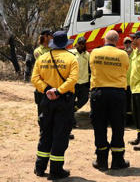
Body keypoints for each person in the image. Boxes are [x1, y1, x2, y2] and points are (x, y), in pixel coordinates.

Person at [32, 31, 79, 179]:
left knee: (45, 133)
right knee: (60, 134)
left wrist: (47, 90)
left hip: (46, 100)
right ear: (66, 44)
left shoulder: (42, 58)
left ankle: (39, 167)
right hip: (63, 100)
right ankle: (56, 170)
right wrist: (58, 91)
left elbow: (34, 78)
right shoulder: (72, 59)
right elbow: (73, 79)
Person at [89, 30, 131, 171]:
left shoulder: (94, 52)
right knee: (118, 127)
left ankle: (101, 161)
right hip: (117, 94)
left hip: (98, 93)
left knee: (99, 127)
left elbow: (92, 68)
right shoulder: (123, 54)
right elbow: (125, 69)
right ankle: (117, 161)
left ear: (104, 40)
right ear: (117, 41)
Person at [69, 37, 90, 130]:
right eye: (80, 43)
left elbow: (89, 68)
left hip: (84, 82)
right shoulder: (71, 53)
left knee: (84, 99)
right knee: (71, 101)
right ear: (76, 44)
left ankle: (72, 110)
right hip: (74, 82)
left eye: (83, 44)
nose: (81, 45)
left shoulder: (87, 54)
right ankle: (71, 122)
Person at [34, 29, 53, 114]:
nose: (52, 37)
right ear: (45, 37)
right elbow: (43, 65)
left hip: (53, 81)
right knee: (42, 107)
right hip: (42, 83)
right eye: (50, 35)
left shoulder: (53, 49)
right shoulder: (38, 51)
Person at [123, 35, 135, 124]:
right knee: (126, 102)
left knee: (135, 101)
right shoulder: (121, 55)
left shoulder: (136, 53)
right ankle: (128, 120)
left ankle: (135, 119)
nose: (128, 44)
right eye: (126, 43)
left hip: (135, 82)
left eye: (129, 42)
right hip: (124, 83)